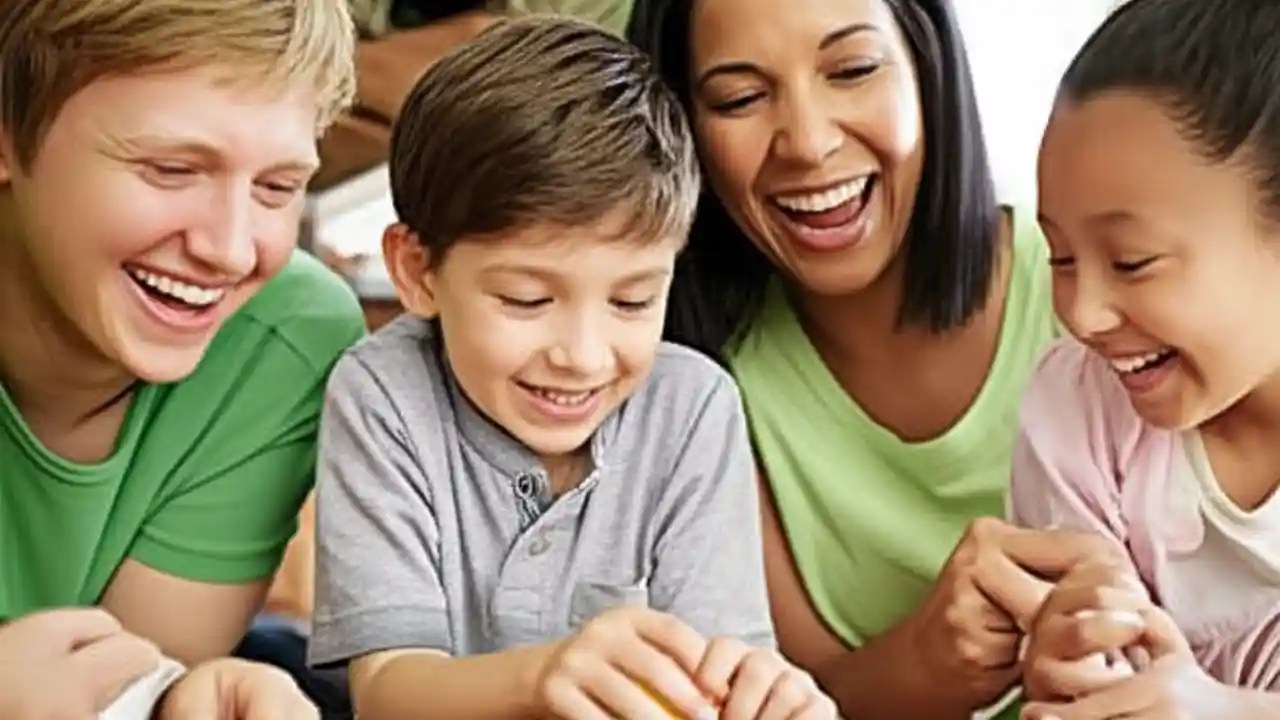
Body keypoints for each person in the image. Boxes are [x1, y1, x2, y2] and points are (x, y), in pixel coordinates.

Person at [309, 16, 836, 720]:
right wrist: (541, 678)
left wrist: (768, 694)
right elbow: (388, 691)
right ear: (418, 270)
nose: (583, 356)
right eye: (526, 300)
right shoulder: (383, 396)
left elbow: (723, 666)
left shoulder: (693, 407)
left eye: (633, 299)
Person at [627, 0, 1115, 717]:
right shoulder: (694, 382)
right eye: (741, 98)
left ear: (928, 68)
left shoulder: (1101, 295)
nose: (808, 142)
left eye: (852, 69)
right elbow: (797, 695)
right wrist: (928, 658)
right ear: (683, 129)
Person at [0, 0, 363, 717]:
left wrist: (186, 698)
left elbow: (117, 691)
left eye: (277, 187)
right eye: (172, 169)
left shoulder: (285, 339)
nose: (229, 248)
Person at [1009, 0, 1280, 717]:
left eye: (1132, 261)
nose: (1082, 314)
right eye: (1060, 257)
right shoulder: (1078, 411)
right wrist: (1068, 645)